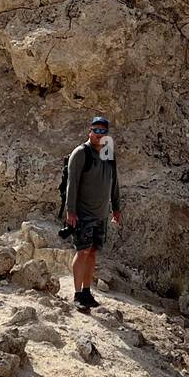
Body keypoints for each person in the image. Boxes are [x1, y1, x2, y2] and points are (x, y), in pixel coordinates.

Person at [64, 114, 121, 310]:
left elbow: (114, 182)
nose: (99, 134)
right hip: (83, 213)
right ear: (90, 131)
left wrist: (116, 207)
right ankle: (78, 294)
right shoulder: (81, 153)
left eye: (103, 131)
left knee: (93, 252)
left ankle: (87, 292)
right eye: (96, 130)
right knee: (82, 251)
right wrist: (70, 211)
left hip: (101, 214)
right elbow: (72, 184)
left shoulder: (108, 152)